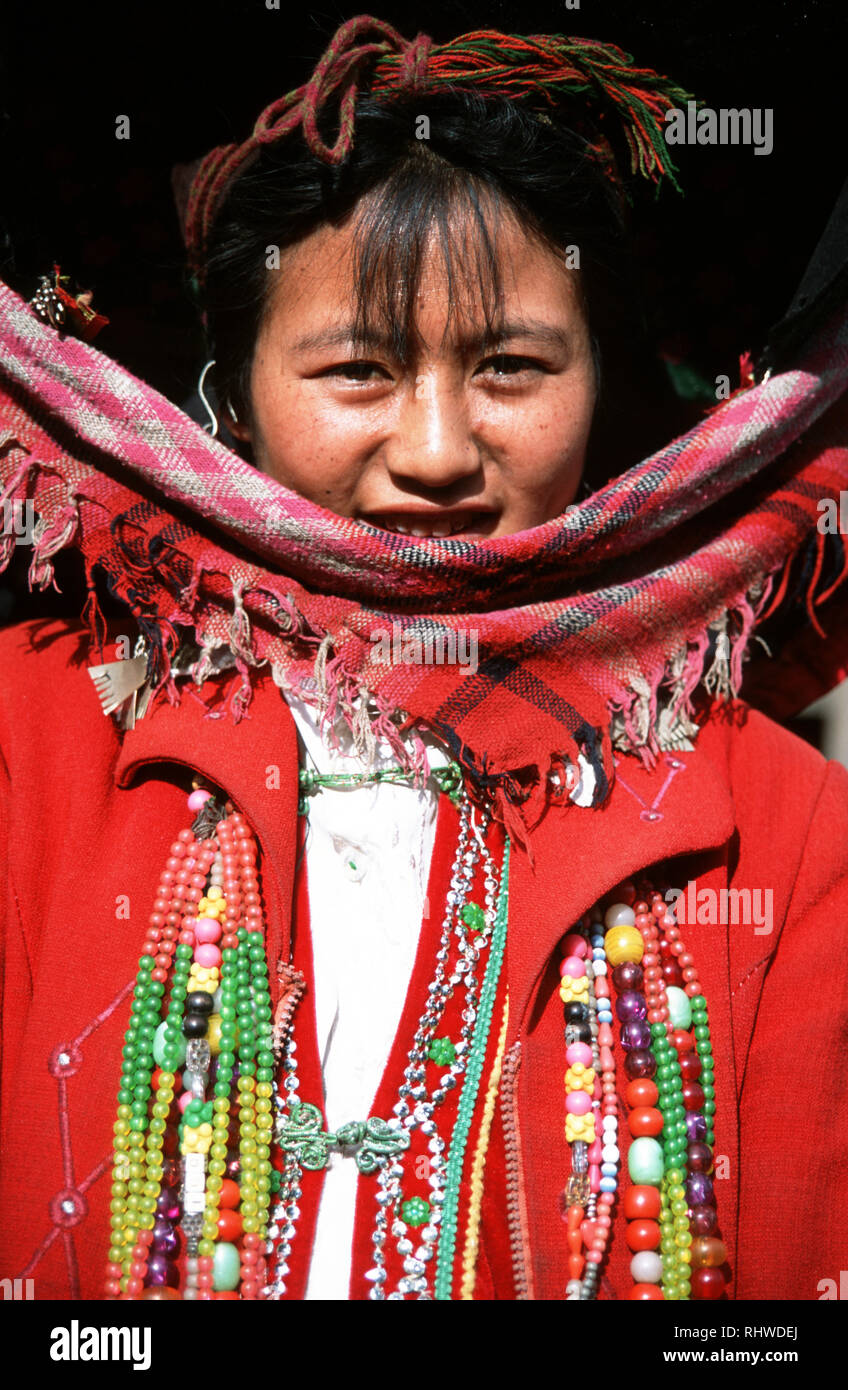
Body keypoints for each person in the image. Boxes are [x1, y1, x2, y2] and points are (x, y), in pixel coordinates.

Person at [1, 15, 847, 1303]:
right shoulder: (34, 738)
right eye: (357, 370)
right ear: (229, 395)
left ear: (603, 380)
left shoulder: (785, 827)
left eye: (511, 366)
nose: (439, 451)